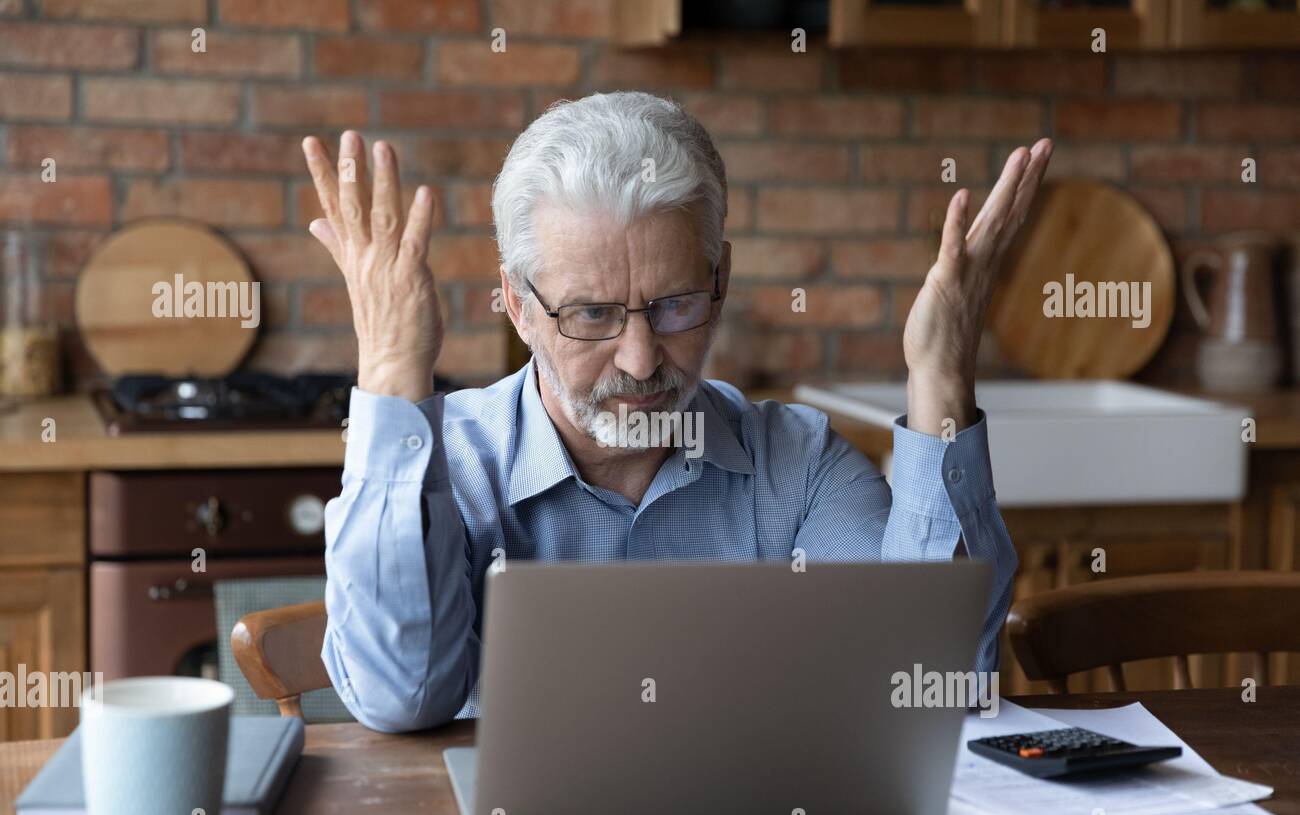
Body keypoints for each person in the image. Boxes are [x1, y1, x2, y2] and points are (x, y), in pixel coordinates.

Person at [300, 90, 1051, 733]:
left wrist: (943, 377)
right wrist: (395, 371)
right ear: (520, 307)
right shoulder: (451, 469)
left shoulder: (797, 467)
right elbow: (403, 699)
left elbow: (928, 691)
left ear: (720, 278)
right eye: (591, 314)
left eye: (674, 306)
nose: (640, 359)